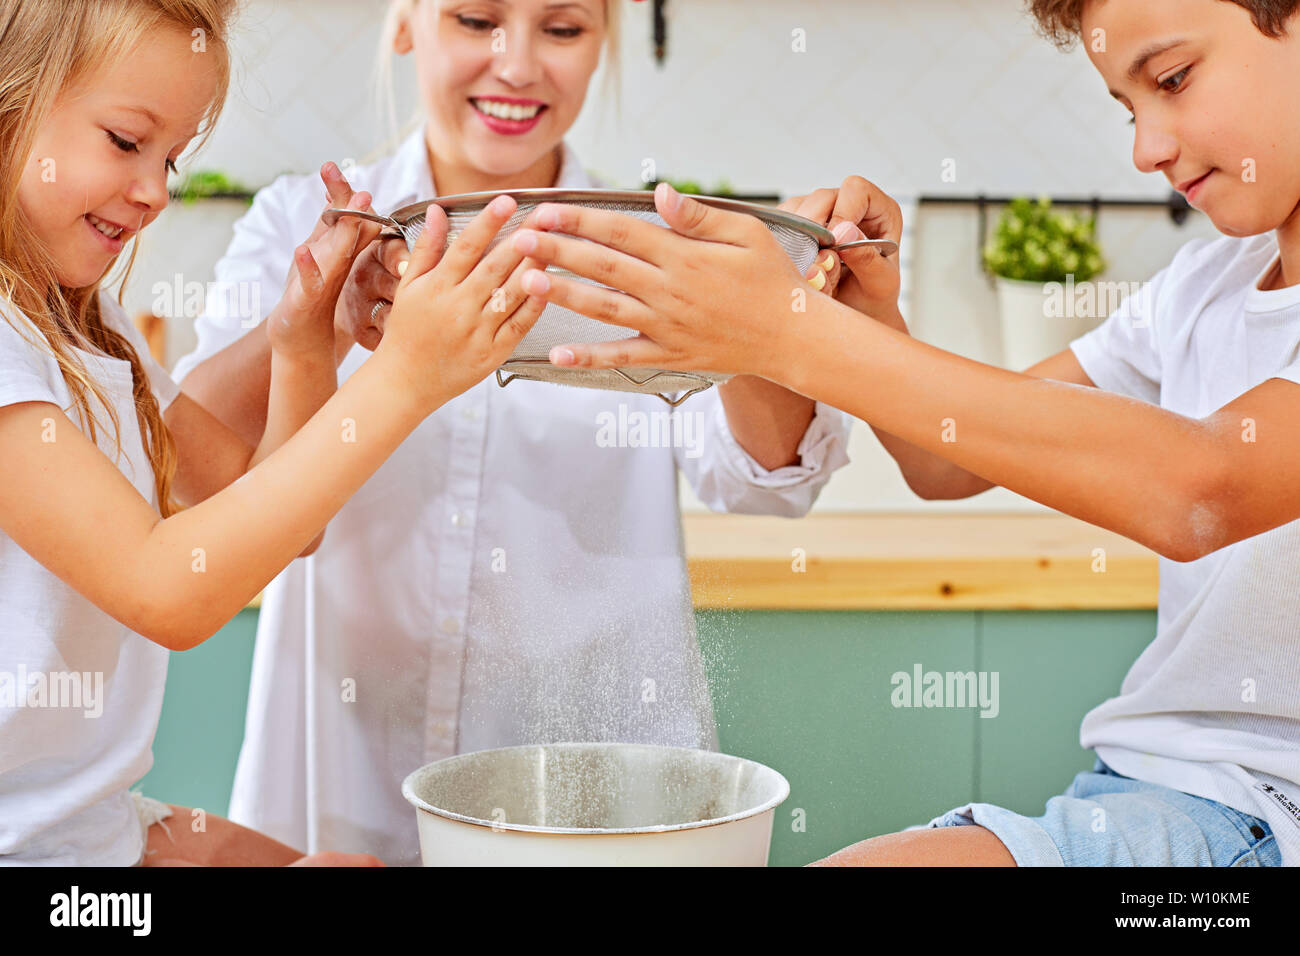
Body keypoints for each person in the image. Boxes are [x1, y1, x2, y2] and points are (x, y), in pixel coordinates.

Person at [507, 0, 1300, 867]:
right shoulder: (1203, 286)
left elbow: (1202, 493)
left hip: (1263, 815)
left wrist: (793, 333)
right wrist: (870, 315)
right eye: (1128, 107)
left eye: (1174, 79)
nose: (1147, 147)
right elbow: (942, 466)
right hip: (1151, 796)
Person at [173, 0, 852, 866]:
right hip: (340, 777)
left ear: (604, 42)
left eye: (562, 29)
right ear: (409, 22)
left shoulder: (654, 245)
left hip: (589, 795)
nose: (519, 64)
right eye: (475, 19)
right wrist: (326, 314)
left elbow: (762, 478)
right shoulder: (296, 226)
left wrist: (763, 312)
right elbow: (196, 465)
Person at [0, 0, 549, 866]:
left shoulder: (83, 322)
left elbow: (275, 514)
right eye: (124, 141)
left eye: (172, 158)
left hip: (83, 834)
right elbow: (167, 589)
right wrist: (405, 379)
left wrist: (306, 339)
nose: (153, 193)